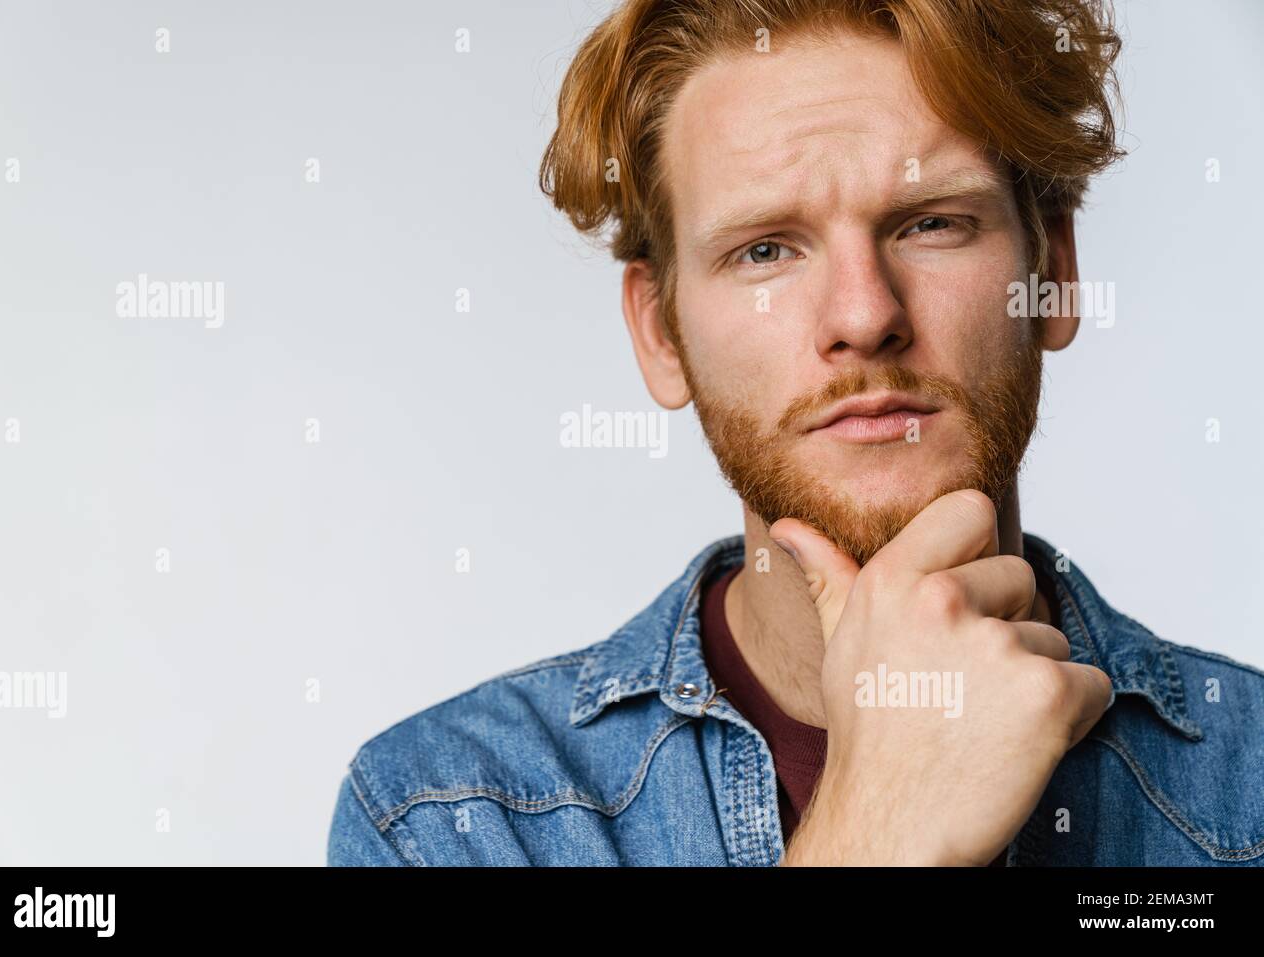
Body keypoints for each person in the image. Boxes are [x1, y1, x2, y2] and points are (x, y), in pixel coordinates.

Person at [327, 0, 1264, 866]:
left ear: (1053, 270)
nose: (862, 315)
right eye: (765, 249)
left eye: (931, 222)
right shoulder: (449, 816)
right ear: (661, 333)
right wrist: (873, 828)